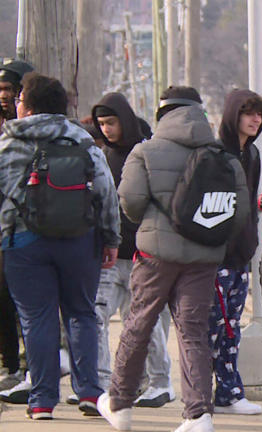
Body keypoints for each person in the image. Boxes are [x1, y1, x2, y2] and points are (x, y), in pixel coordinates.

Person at [97, 86, 250, 432]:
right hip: (205, 257)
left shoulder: (145, 152)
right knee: (192, 332)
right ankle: (198, 414)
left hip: (156, 255)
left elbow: (131, 204)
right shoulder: (224, 157)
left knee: (139, 323)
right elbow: (238, 215)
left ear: (162, 114)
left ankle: (120, 404)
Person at [0, 72, 121, 420]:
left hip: (22, 242)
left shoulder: (9, 142)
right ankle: (89, 393)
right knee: (81, 313)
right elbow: (106, 193)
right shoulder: (82, 140)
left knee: (36, 319)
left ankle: (41, 400)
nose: (16, 102)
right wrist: (110, 238)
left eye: (20, 98)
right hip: (79, 240)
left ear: (29, 105)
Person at [91, 92, 176, 408]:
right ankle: (100, 381)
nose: (107, 129)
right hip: (110, 255)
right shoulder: (102, 155)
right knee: (97, 318)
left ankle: (159, 382)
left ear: (124, 121)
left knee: (142, 322)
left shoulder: (145, 153)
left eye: (110, 122)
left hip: (143, 253)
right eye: (101, 124)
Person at [209, 88, 262, 415]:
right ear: (234, 115)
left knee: (231, 327)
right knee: (211, 328)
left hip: (241, 254)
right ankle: (203, 394)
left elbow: (249, 202)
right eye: (248, 112)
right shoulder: (216, 153)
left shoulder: (254, 154)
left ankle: (229, 393)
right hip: (215, 254)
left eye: (259, 114)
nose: (255, 119)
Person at [0, 59, 34, 392]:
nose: (5, 96)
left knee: (21, 300)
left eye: (11, 89)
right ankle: (9, 363)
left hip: (24, 227)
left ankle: (25, 366)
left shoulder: (31, 131)